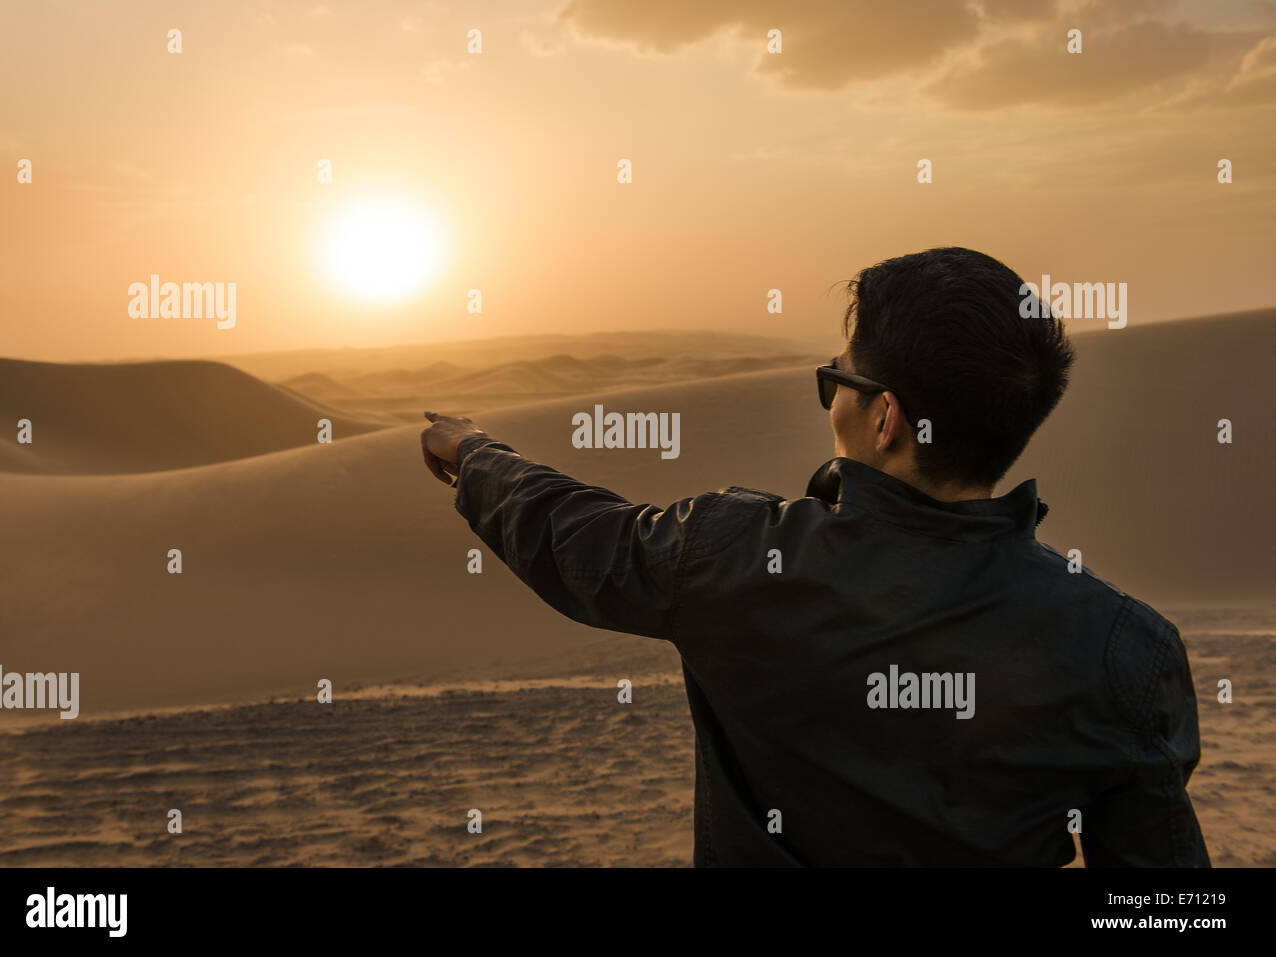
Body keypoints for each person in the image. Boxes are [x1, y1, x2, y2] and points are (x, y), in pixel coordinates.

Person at [420, 246, 1210, 867]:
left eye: (839, 377)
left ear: (886, 418)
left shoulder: (730, 560)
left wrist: (477, 454)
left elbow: (575, 536)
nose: (832, 396)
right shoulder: (1124, 652)